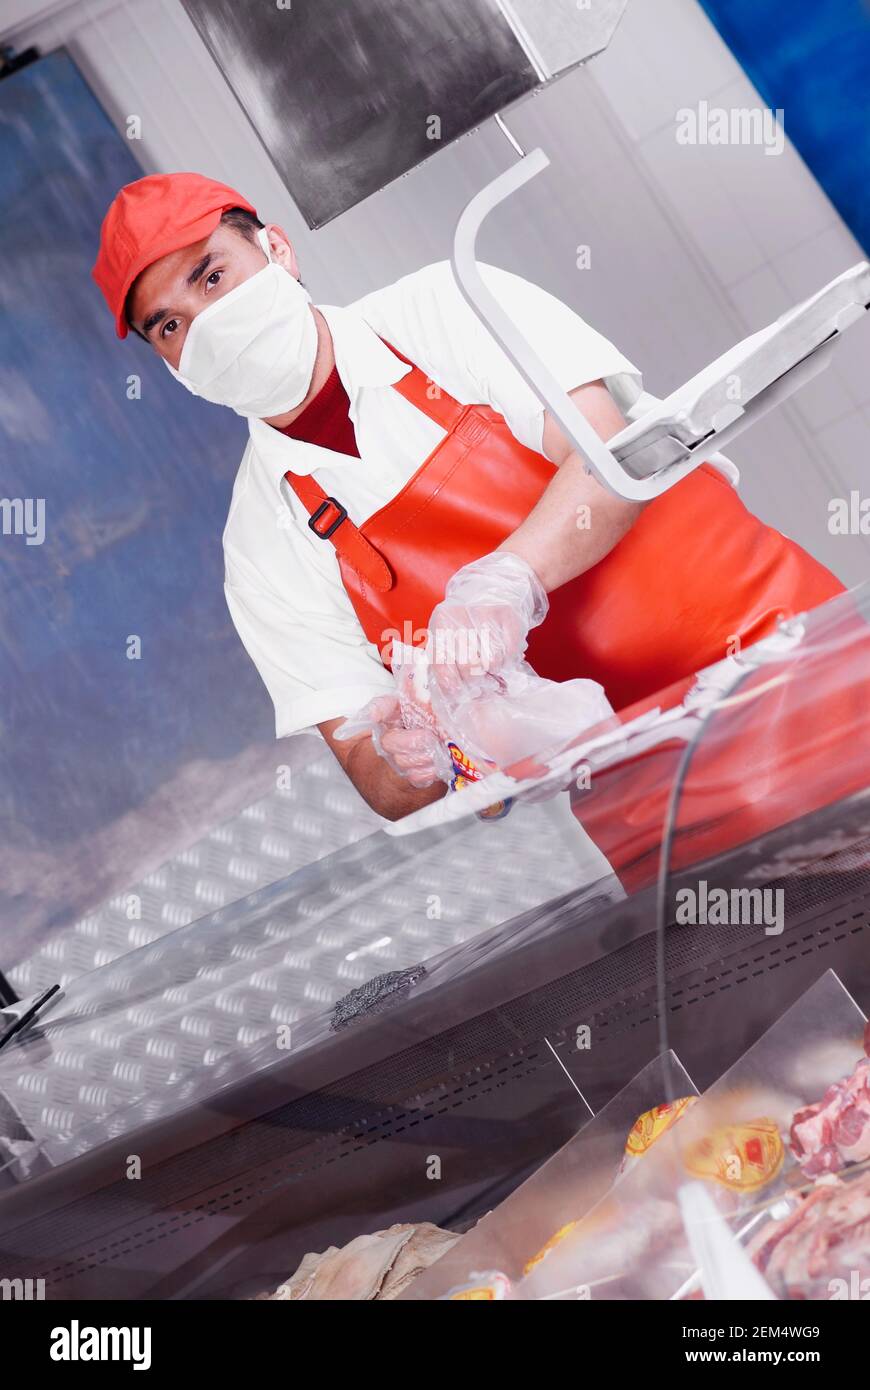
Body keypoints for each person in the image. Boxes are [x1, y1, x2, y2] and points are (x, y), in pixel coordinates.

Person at [92, 172, 843, 824]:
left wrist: (503, 584)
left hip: (795, 670)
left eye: (211, 276)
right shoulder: (261, 545)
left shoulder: (445, 307)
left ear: (278, 251)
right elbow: (375, 776)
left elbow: (609, 457)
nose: (206, 325)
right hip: (649, 806)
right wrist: (413, 756)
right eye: (170, 325)